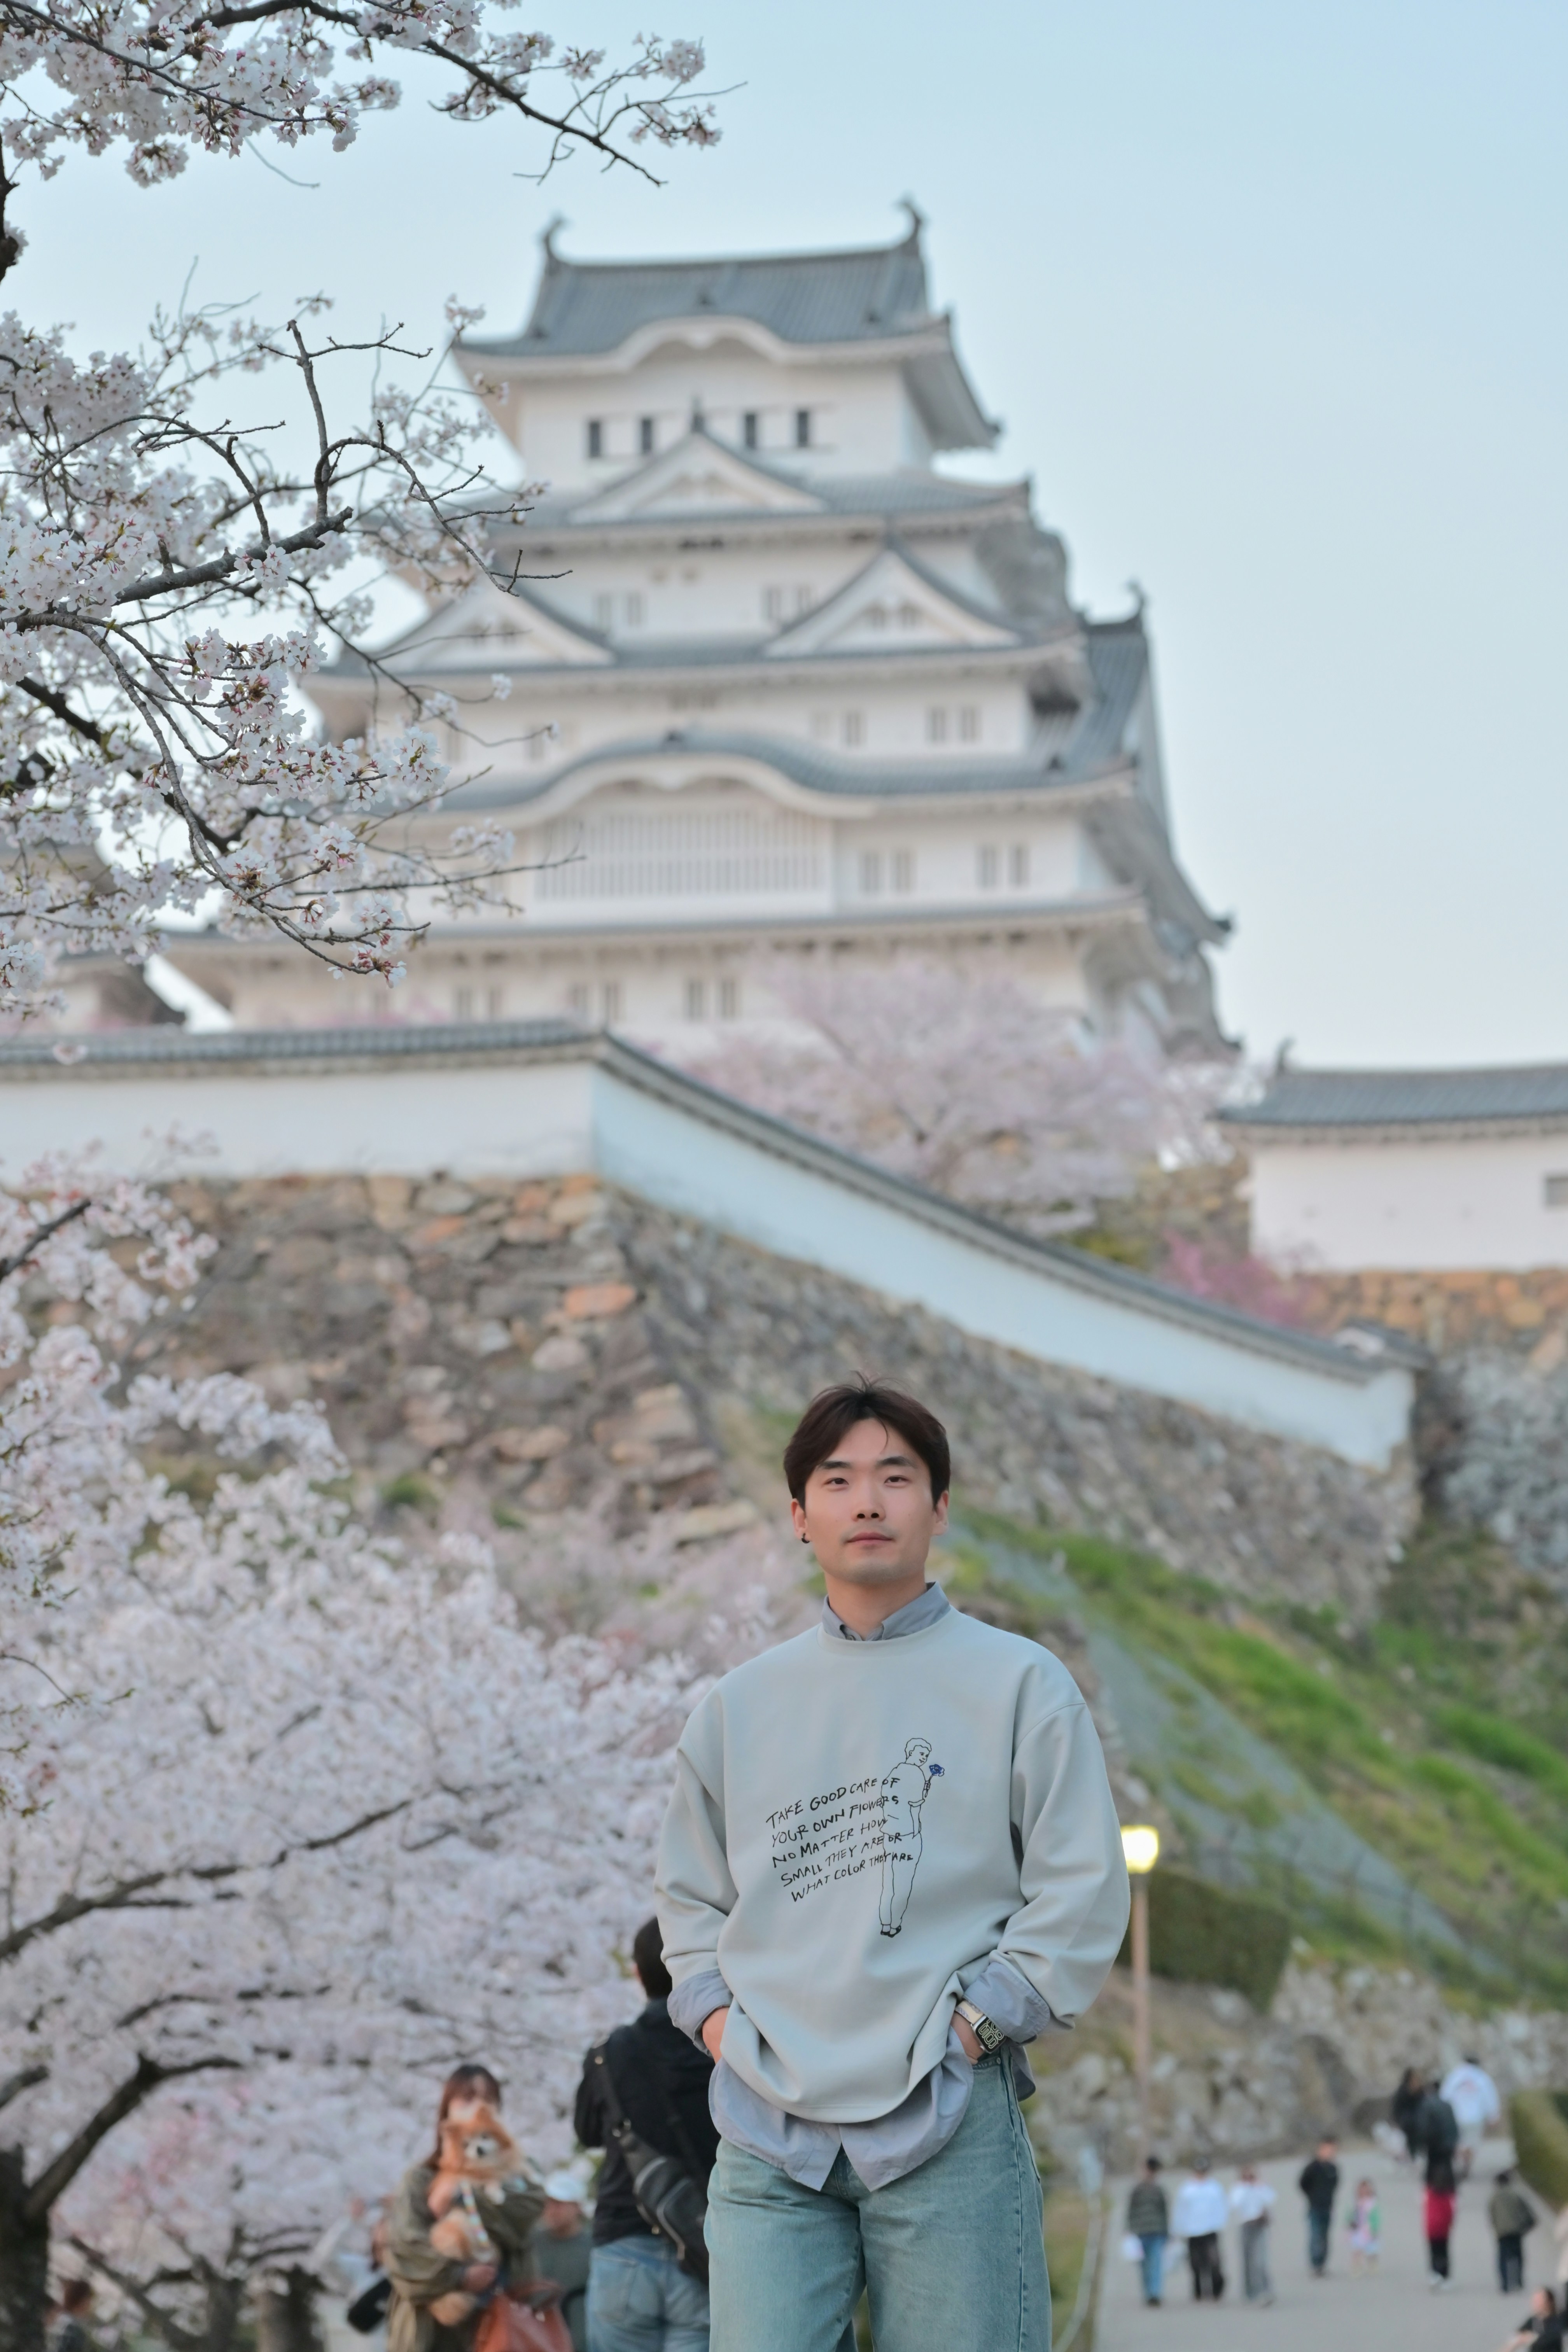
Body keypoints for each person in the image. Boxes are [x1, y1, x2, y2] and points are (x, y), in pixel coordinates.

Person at [654, 1378, 1130, 2352]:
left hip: (944, 2110)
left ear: (939, 1505)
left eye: (895, 1477)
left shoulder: (1020, 1683)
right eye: (837, 1481)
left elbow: (1080, 1885)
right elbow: (689, 1894)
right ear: (799, 1515)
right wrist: (713, 2018)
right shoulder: (740, 1706)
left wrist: (977, 2025)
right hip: (765, 2125)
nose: (866, 1502)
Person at [574, 1916, 718, 2352]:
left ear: (637, 1974)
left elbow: (588, 2132)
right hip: (701, 2245)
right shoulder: (721, 2047)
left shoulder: (608, 2055)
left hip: (624, 2242)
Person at [386, 2065, 546, 2352]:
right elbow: (404, 2250)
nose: (479, 2106)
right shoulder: (421, 2179)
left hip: (505, 2323)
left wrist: (462, 2195)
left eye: (489, 2098)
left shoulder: (522, 2176)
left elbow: (525, 2212)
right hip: (432, 2333)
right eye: (468, 2097)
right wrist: (459, 2276)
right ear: (446, 2110)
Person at [530, 2175, 593, 2352]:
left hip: (579, 2338)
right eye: (548, 2203)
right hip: (537, 2336)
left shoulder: (594, 2247)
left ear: (577, 2207)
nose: (552, 2210)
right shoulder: (532, 2243)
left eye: (559, 2204)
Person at [1170, 2157, 1227, 2302]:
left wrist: (1220, 2224)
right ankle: (1199, 2291)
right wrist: (1178, 2229)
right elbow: (1180, 2210)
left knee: (1214, 2262)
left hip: (1210, 2230)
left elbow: (1222, 2207)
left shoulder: (1214, 2187)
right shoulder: (1186, 2189)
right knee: (1196, 2263)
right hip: (1192, 2231)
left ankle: (1216, 2290)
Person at [1444, 2055, 1503, 2177]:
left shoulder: (1455, 2076)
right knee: (1472, 2144)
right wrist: (1494, 2115)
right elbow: (1490, 2097)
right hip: (1476, 2118)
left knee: (1459, 2143)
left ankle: (1461, 2162)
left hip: (1457, 2117)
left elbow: (1446, 2096)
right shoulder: (1482, 2077)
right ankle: (1466, 2165)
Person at [1126, 2157, 1169, 2308]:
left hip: (1155, 2231)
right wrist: (1130, 2229)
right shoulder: (1138, 2190)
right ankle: (1150, 2293)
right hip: (1142, 2232)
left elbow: (1164, 2212)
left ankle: (1154, 2293)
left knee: (1155, 2263)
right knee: (1146, 2265)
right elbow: (1131, 2211)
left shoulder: (1158, 2190)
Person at [1230, 2164, 1276, 2304]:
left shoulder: (1260, 2187)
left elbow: (1271, 2198)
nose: (1250, 2179)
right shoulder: (1238, 2189)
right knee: (1248, 2260)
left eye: (1252, 2176)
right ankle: (1250, 2292)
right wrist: (1246, 2188)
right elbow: (1234, 2203)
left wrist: (1259, 2186)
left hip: (1259, 2226)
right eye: (1247, 2176)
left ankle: (1265, 2291)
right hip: (1246, 2226)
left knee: (1260, 2260)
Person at [1492, 2169, 1539, 2295]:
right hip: (1516, 2231)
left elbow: (1492, 2215)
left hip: (1502, 2232)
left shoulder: (1495, 2198)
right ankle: (1518, 2281)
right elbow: (1528, 2211)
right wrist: (1528, 2225)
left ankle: (1505, 2284)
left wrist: (1497, 2229)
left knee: (1503, 2258)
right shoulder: (1515, 2195)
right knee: (1518, 2256)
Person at [1299, 2137, 1340, 2278]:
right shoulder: (1312, 2168)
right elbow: (1303, 2184)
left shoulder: (1333, 2168)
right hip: (1315, 2207)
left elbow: (1335, 2185)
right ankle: (1315, 2264)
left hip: (1327, 2207)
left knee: (1325, 2236)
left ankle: (1323, 2264)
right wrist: (1312, 2197)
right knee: (1316, 2235)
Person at [1501, 2283, 1565, 2350]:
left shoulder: (1557, 2320)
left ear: (1548, 2302)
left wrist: (1531, 2338)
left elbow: (1549, 2337)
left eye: (1539, 2300)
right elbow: (1519, 2333)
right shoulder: (1534, 2319)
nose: (1535, 2303)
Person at [1426, 2154, 1457, 2292]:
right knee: (1444, 2252)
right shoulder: (1447, 2196)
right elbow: (1450, 2213)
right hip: (1443, 2229)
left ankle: (1435, 2274)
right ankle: (1445, 2276)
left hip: (1431, 2228)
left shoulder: (1430, 2194)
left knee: (1434, 2252)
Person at [1346, 2177, 1380, 2277]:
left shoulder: (1373, 2204)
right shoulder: (1355, 2203)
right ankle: (1357, 2267)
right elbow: (1350, 2214)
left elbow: (1377, 2217)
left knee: (1372, 2250)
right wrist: (1350, 2224)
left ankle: (1372, 2265)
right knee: (1357, 2250)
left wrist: (1375, 2228)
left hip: (1370, 2230)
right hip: (1358, 2230)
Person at [46, 2280, 94, 2352]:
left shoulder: (57, 2320)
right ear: (83, 2302)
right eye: (89, 2302)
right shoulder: (75, 2331)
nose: (90, 2307)